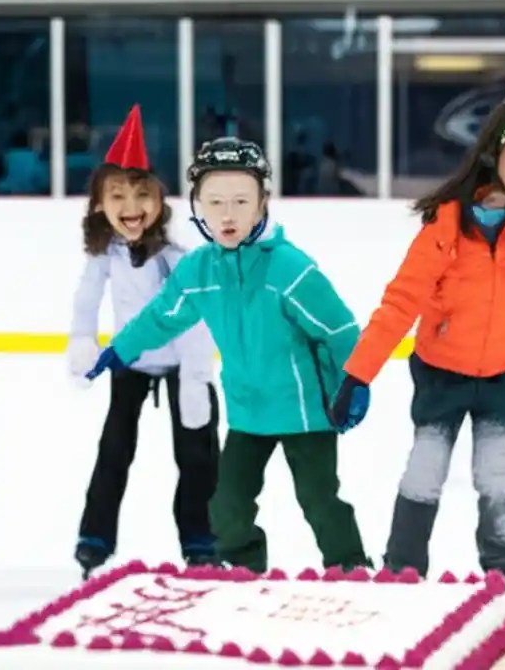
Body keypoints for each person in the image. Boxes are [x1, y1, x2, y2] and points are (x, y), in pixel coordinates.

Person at [330, 51, 505, 597]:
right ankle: (402, 567)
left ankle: (504, 574)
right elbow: (400, 303)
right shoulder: (445, 227)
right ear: (493, 151)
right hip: (441, 374)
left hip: (504, 376)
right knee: (425, 469)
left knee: (496, 474)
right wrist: (358, 373)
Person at [84, 136, 370, 574]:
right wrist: (122, 348)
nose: (228, 214)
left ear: (262, 203)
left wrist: (354, 382)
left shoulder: (289, 270)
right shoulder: (199, 270)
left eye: (241, 200)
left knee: (318, 499)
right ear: (197, 204)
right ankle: (242, 569)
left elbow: (341, 329)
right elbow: (162, 315)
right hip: (248, 413)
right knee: (227, 505)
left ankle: (350, 565)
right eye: (215, 201)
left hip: (305, 411)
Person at [67, 104, 219, 579]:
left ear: (159, 199)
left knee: (197, 454)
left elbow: (195, 320)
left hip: (182, 366)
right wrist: (81, 339)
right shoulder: (105, 254)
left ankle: (202, 537)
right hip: (130, 364)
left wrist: (196, 379)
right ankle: (95, 535)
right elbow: (87, 298)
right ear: (99, 203)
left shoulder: (174, 255)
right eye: (118, 197)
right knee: (114, 449)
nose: (131, 209)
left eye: (141, 196)